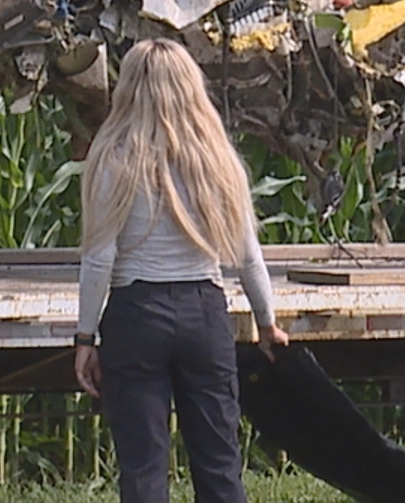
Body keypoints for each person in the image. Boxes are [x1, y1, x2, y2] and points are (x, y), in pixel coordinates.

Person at [73, 38, 289, 503]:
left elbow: (99, 258)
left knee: (144, 469)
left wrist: (85, 338)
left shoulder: (114, 155)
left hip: (136, 313)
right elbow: (247, 252)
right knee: (219, 465)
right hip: (204, 312)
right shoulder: (215, 159)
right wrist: (267, 322)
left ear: (127, 89)